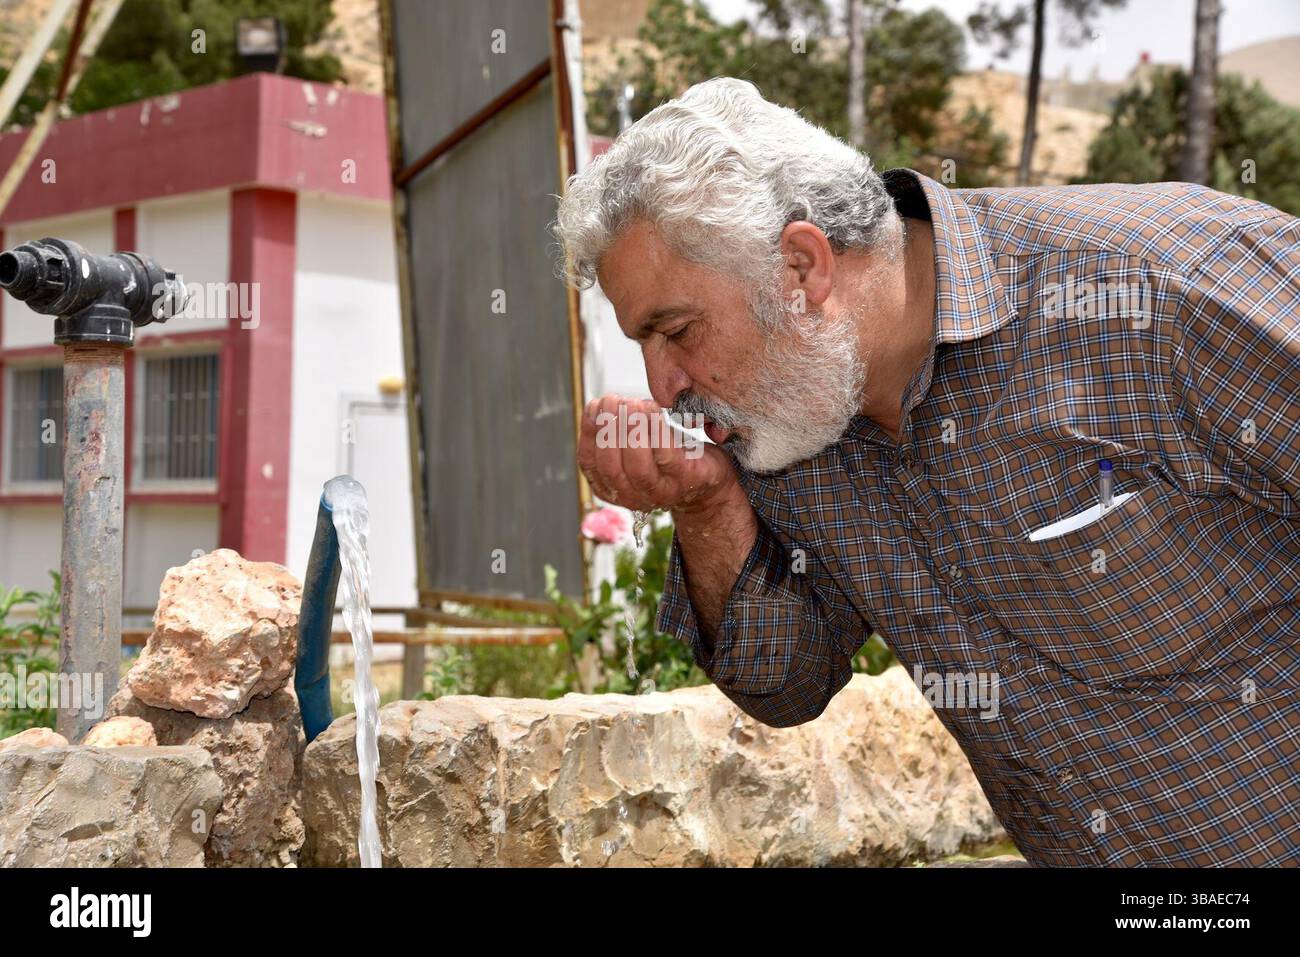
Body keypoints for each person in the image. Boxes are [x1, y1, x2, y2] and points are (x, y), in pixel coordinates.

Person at [552, 77, 1300, 866]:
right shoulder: (790, 417)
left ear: (803, 267)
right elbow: (784, 681)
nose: (662, 384)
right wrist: (705, 504)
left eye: (674, 330)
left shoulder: (1166, 283)